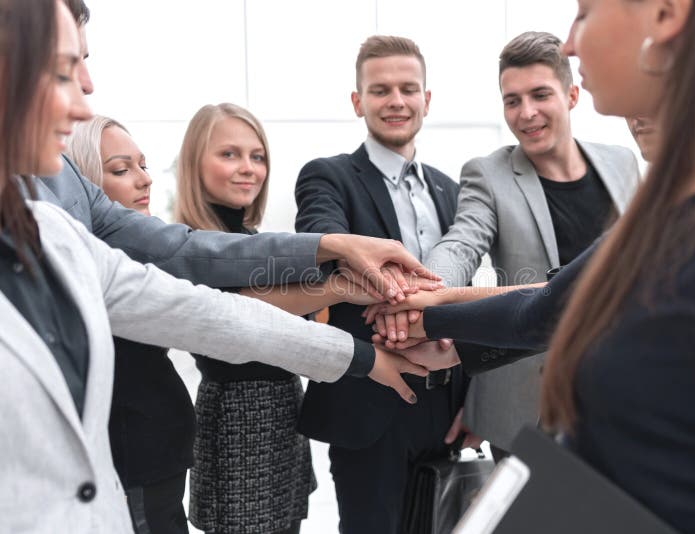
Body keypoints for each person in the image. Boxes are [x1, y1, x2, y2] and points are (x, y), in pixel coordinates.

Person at [0, 2, 430, 532]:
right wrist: (340, 288)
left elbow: (206, 308)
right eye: (62, 70)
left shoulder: (57, 226)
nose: (85, 98)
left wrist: (345, 305)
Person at [377, 0, 695, 531]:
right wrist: (422, 309)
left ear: (666, 16)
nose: (570, 43)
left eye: (585, 13)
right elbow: (541, 309)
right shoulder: (672, 201)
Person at [420, 31, 640, 456]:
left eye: (540, 95)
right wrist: (425, 290)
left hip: (620, 393)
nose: (526, 113)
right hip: (527, 406)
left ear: (572, 95)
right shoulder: (489, 174)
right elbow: (461, 244)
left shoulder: (622, 162)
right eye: (512, 100)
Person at [293, 35, 465, 533]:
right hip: (368, 406)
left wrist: (473, 401)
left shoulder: (450, 189)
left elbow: (464, 284)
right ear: (358, 101)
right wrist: (416, 297)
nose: (396, 101)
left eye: (408, 89)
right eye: (380, 89)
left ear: (426, 100)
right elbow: (325, 250)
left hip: (445, 406)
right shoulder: (328, 176)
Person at [173, 103, 310, 534]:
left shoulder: (251, 239)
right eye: (229, 154)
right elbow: (253, 321)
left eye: (257, 156)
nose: (248, 168)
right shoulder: (191, 245)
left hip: (282, 409)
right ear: (195, 162)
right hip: (240, 417)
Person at [65, 116, 195, 533]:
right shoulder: (91, 271)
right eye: (122, 170)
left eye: (143, 165)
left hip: (160, 462)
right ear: (82, 184)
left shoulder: (139, 256)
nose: (145, 179)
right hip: (134, 468)